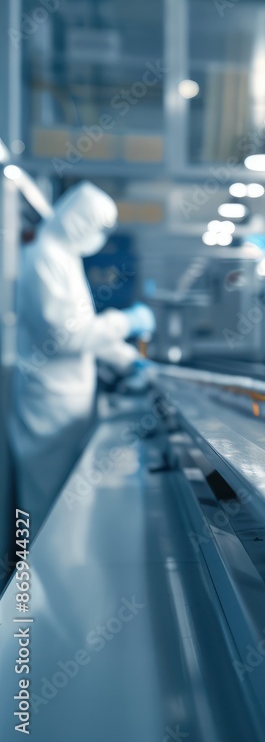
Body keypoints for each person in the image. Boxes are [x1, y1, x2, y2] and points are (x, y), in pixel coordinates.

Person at [8, 181, 155, 523]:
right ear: (79, 221)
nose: (99, 237)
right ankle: (31, 561)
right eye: (98, 227)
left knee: (61, 511)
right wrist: (126, 321)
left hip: (66, 404)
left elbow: (83, 330)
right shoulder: (44, 257)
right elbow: (67, 337)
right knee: (44, 513)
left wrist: (127, 359)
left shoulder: (64, 257)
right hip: (49, 406)